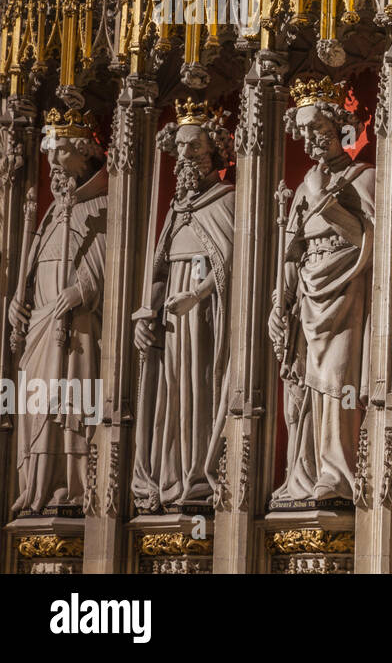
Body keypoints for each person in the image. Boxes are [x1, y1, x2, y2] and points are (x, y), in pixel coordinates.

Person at [269, 76, 375, 504]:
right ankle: (305, 471)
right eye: (307, 132)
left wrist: (329, 205)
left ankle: (337, 471)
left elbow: (371, 238)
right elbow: (292, 253)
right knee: (305, 390)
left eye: (321, 131)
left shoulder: (363, 177)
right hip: (308, 292)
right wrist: (282, 300)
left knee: (337, 380)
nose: (313, 141)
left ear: (340, 129)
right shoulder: (302, 188)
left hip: (346, 286)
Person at [131, 99, 236, 511]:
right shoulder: (177, 210)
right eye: (179, 148)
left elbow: (235, 266)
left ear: (214, 150)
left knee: (199, 389)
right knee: (172, 394)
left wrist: (198, 293)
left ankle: (198, 480)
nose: (184, 157)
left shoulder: (227, 202)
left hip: (205, 317)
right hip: (173, 320)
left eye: (193, 147)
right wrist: (147, 314)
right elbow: (157, 274)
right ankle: (169, 477)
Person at [8, 108, 108, 513]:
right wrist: (20, 300)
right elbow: (31, 265)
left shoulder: (104, 204)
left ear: (85, 154)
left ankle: (73, 486)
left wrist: (82, 288)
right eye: (50, 149)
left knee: (71, 403)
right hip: (40, 323)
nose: (52, 158)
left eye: (63, 149)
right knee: (37, 405)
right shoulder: (53, 211)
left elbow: (110, 265)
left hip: (75, 327)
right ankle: (36, 486)